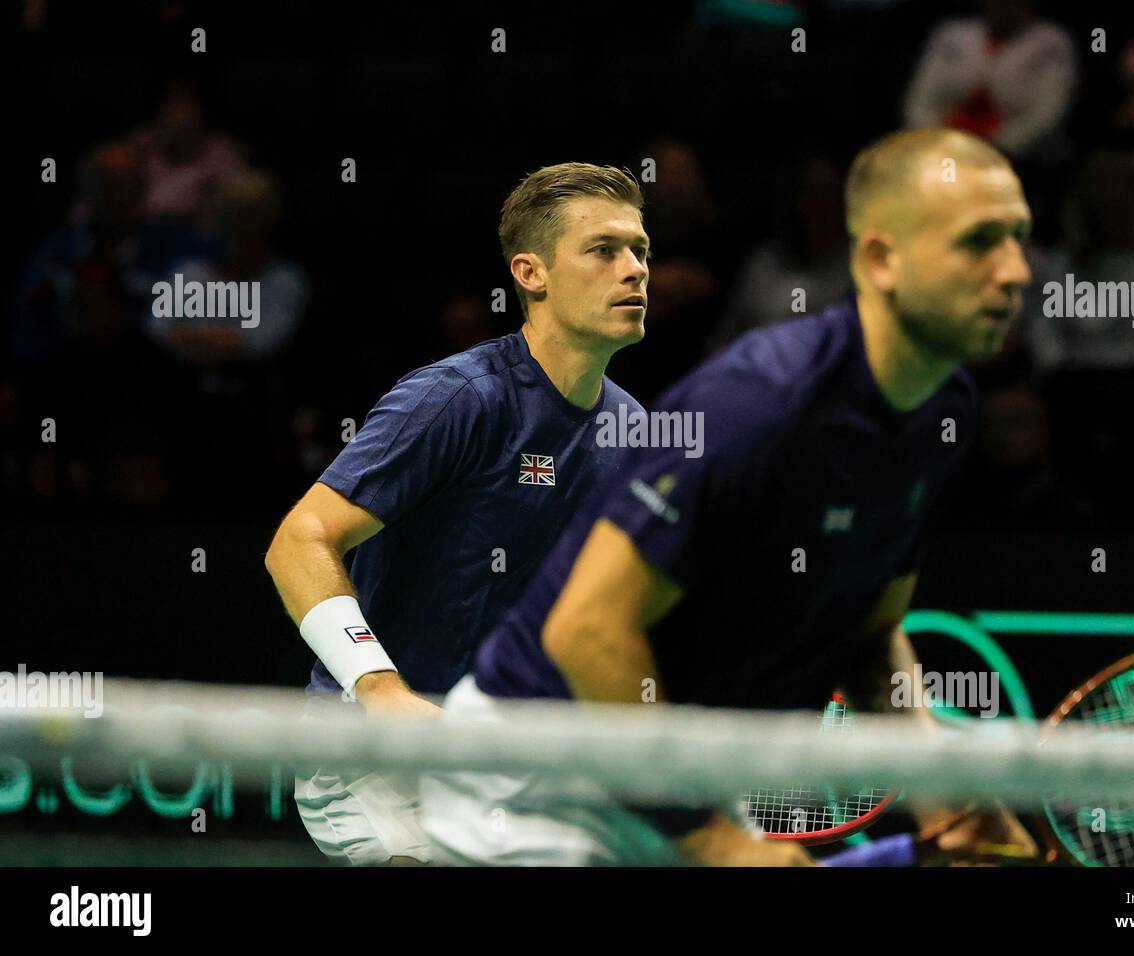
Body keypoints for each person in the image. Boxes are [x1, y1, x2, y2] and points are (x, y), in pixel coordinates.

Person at [420, 128, 1039, 865]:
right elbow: (586, 631)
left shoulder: (945, 412)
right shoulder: (763, 402)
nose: (1016, 272)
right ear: (881, 259)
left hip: (685, 780)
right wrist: (707, 836)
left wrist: (948, 796)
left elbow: (872, 642)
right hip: (543, 780)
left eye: (1020, 239)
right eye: (979, 243)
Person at [264, 163, 650, 864]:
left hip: (517, 762)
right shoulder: (457, 398)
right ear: (531, 274)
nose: (634, 270)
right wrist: (381, 691)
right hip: (376, 755)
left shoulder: (631, 430)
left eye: (641, 251)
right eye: (604, 250)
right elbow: (299, 540)